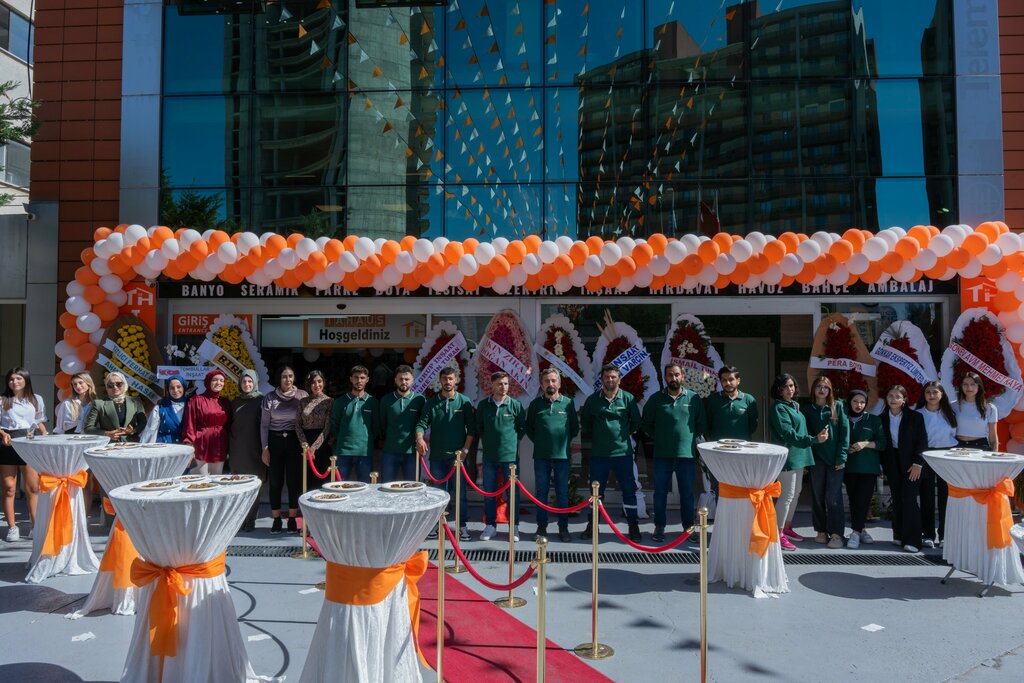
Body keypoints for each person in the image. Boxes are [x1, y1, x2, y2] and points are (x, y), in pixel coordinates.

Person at [642, 363, 707, 543]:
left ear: (682, 377)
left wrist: (689, 439)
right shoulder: (656, 399)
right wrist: (660, 437)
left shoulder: (693, 398)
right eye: (670, 375)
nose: (674, 378)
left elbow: (701, 424)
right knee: (660, 492)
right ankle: (659, 527)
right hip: (662, 454)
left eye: (677, 375)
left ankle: (688, 528)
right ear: (665, 377)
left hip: (686, 455)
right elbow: (646, 424)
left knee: (687, 493)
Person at [580, 364, 643, 542]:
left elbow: (636, 423)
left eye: (613, 377)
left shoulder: (628, 399)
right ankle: (592, 526)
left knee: (628, 491)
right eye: (607, 377)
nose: (610, 380)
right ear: (602, 379)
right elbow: (586, 423)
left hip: (622, 454)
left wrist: (621, 436)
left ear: (619, 379)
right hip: (600, 455)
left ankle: (633, 525)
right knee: (596, 493)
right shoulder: (593, 400)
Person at [768, 374, 827, 552]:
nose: (790, 389)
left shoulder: (793, 405)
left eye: (792, 385)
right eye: (785, 386)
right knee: (786, 496)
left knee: (795, 493)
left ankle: (786, 527)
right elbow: (788, 434)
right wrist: (814, 439)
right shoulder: (778, 408)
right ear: (778, 389)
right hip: (788, 457)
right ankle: (777, 534)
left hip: (799, 456)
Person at [416, 366, 475, 541]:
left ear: (456, 380)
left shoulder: (464, 401)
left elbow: (471, 430)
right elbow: (421, 423)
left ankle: (462, 526)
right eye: (444, 379)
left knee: (461, 494)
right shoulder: (432, 402)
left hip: (458, 458)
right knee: (437, 494)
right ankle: (436, 526)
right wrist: (419, 438)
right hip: (437, 457)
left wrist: (465, 451)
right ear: (440, 380)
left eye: (450, 379)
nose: (447, 382)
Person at [525, 368, 579, 543]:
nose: (550, 384)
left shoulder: (568, 403)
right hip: (541, 457)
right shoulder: (535, 405)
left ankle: (563, 528)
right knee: (542, 493)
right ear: (542, 384)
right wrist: (543, 442)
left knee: (562, 493)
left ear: (559, 383)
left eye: (553, 380)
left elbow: (573, 429)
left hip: (562, 457)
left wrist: (560, 444)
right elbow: (530, 429)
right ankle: (542, 527)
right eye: (547, 381)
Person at [476, 372, 526, 542]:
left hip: (510, 459)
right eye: (499, 383)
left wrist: (509, 443)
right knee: (489, 492)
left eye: (505, 383)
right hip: (489, 457)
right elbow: (479, 428)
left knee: (513, 494)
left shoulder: (515, 405)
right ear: (492, 385)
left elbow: (521, 429)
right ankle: (490, 526)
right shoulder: (484, 405)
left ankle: (515, 527)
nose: (503, 387)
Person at [0, 367, 46, 542]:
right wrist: (3, 434)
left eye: (18, 378)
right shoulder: (3, 400)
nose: (15, 382)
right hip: (8, 443)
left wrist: (44, 434)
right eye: (11, 379)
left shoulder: (36, 399)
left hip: (29, 442)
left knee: (33, 487)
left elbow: (39, 420)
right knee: (9, 488)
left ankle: (35, 525)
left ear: (26, 380)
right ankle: (12, 527)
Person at [803, 376, 849, 549]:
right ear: (813, 389)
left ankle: (837, 534)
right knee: (818, 495)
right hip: (816, 459)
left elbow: (845, 433)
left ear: (830, 390)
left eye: (826, 387)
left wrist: (842, 457)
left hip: (835, 459)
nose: (822, 390)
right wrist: (807, 460)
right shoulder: (808, 409)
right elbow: (806, 435)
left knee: (833, 497)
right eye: (819, 387)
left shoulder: (837, 407)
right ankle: (821, 530)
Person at [261, 366, 308, 534]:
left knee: (294, 481)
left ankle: (293, 519)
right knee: (275, 482)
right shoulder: (270, 398)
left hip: (295, 441)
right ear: (278, 379)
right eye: (284, 377)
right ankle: (276, 520)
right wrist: (264, 448)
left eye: (290, 376)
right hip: (275, 441)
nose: (287, 380)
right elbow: (264, 425)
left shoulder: (302, 396)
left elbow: (307, 420)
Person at [882, 385, 928, 553]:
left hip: (911, 464)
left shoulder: (915, 417)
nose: (893, 399)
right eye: (890, 395)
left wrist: (918, 463)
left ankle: (914, 540)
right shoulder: (882, 418)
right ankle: (899, 534)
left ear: (904, 400)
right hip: (892, 462)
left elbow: (922, 442)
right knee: (897, 498)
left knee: (909, 499)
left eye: (897, 396)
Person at [916, 381, 957, 548]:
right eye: (928, 392)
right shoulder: (918, 414)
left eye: (935, 392)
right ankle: (928, 534)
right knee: (926, 496)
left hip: (946, 456)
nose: (931, 395)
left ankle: (945, 535)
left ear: (942, 394)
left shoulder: (950, 413)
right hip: (925, 456)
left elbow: (955, 434)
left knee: (945, 497)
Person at [844, 389, 886, 549]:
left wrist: (865, 444)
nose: (858, 405)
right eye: (855, 401)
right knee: (854, 500)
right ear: (850, 402)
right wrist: (845, 449)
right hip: (848, 467)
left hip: (868, 467)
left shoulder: (873, 420)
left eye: (862, 402)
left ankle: (854, 533)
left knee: (863, 500)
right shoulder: (843, 419)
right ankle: (861, 529)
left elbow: (882, 443)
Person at [330, 365, 380, 483]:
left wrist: (367, 440)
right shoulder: (340, 402)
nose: (359, 381)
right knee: (340, 485)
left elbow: (376, 427)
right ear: (351, 379)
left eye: (362, 378)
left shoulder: (373, 402)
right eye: (356, 377)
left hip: (364, 451)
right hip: (343, 451)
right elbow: (334, 424)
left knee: (365, 487)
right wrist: (343, 439)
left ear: (367, 379)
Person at [230, 369, 264, 532]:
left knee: (254, 485)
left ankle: (251, 519)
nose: (247, 384)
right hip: (237, 450)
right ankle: (240, 518)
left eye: (250, 381)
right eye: (244, 381)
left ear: (255, 382)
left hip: (255, 449)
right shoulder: (235, 402)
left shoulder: (261, 400)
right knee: (238, 486)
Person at [380, 365, 425, 482]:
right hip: (390, 451)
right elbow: (382, 424)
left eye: (407, 379)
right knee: (387, 486)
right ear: (395, 380)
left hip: (412, 452)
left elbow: (423, 423)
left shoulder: (420, 400)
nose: (404, 382)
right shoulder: (386, 400)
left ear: (412, 380)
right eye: (400, 379)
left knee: (412, 488)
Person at [182, 369, 232, 475]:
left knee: (216, 480)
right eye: (215, 380)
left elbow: (228, 425)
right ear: (208, 381)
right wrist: (189, 446)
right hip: (201, 444)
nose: (219, 383)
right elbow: (190, 424)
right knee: (199, 481)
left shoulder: (225, 402)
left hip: (219, 444)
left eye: (221, 380)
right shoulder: (196, 400)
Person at [295, 370, 334, 486]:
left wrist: (314, 448)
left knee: (322, 478)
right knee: (306, 478)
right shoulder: (302, 401)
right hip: (304, 442)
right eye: (313, 382)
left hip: (322, 444)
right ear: (308, 384)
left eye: (319, 381)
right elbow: (297, 425)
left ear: (324, 382)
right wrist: (305, 445)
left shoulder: (329, 401)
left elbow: (327, 427)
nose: (317, 385)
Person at [86, 371, 147, 442]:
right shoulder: (99, 403)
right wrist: (107, 434)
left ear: (125, 384)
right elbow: (88, 428)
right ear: (106, 387)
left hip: (131, 444)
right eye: (110, 385)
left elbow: (143, 422)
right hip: (108, 445)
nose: (115, 387)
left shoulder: (136, 401)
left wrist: (133, 431)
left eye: (118, 384)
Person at [705, 365, 758, 441]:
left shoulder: (749, 400)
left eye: (731, 379)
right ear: (720, 381)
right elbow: (707, 424)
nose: (728, 383)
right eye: (724, 380)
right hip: (718, 447)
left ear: (738, 381)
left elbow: (753, 426)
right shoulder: (713, 400)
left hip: (742, 447)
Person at [953, 372, 998, 450]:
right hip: (957, 446)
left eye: (972, 384)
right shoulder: (953, 406)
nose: (969, 388)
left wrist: (994, 457)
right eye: (965, 384)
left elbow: (993, 437)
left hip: (980, 446)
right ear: (961, 386)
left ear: (979, 386)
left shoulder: (989, 408)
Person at [140, 375, 189, 444]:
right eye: (172, 388)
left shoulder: (191, 405)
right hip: (165, 448)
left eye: (178, 387)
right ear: (168, 390)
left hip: (185, 448)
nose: (175, 390)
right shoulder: (160, 407)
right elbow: (150, 431)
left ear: (184, 387)